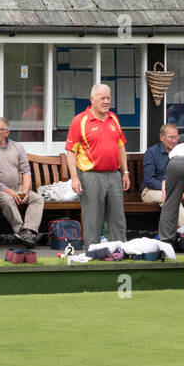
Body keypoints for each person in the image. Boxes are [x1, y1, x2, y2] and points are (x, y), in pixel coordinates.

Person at [65, 83, 130, 246]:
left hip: (114, 175)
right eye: (102, 98)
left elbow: (121, 147)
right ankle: (92, 253)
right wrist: (74, 178)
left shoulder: (113, 118)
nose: (106, 101)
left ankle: (120, 251)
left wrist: (126, 172)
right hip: (90, 176)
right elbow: (71, 152)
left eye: (108, 98)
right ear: (92, 99)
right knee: (92, 218)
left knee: (118, 217)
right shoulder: (79, 120)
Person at [0, 116, 44, 247]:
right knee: (7, 199)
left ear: (7, 132)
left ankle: (28, 230)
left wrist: (25, 190)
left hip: (15, 187)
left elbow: (26, 171)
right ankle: (20, 230)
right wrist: (9, 191)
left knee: (37, 198)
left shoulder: (17, 147)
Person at [141, 123, 179, 212]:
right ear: (161, 137)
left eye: (176, 137)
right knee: (171, 199)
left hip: (177, 189)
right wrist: (170, 189)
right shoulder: (151, 153)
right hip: (151, 190)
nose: (174, 141)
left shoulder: (182, 153)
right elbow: (149, 180)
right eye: (170, 137)